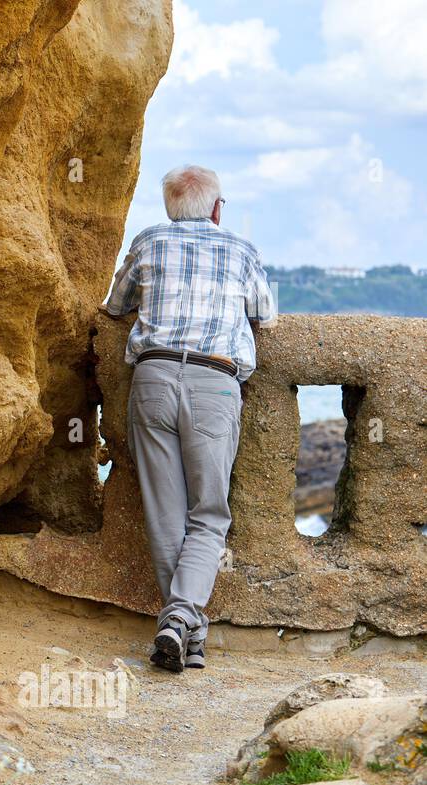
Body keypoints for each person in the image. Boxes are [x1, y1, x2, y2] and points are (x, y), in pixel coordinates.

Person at [103, 164, 277, 673]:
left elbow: (116, 307)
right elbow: (265, 315)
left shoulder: (150, 240)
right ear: (218, 209)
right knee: (209, 514)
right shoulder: (241, 250)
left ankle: (181, 629)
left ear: (168, 210)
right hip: (214, 384)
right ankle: (182, 619)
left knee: (165, 513)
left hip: (153, 379)